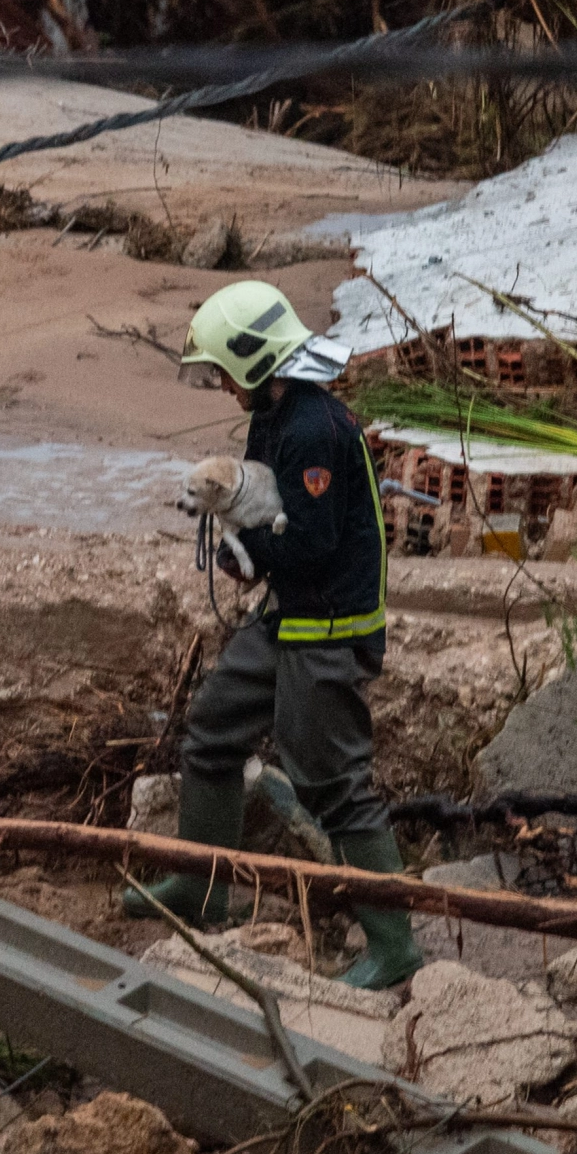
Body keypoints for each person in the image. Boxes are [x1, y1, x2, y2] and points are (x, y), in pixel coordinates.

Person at [123, 281, 425, 992]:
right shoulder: (275, 414)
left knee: (335, 785)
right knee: (212, 729)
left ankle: (395, 944)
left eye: (224, 372)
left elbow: (313, 542)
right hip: (291, 613)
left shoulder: (315, 428)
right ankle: (202, 886)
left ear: (254, 361)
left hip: (329, 625)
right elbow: (268, 502)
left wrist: (248, 557)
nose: (223, 386)